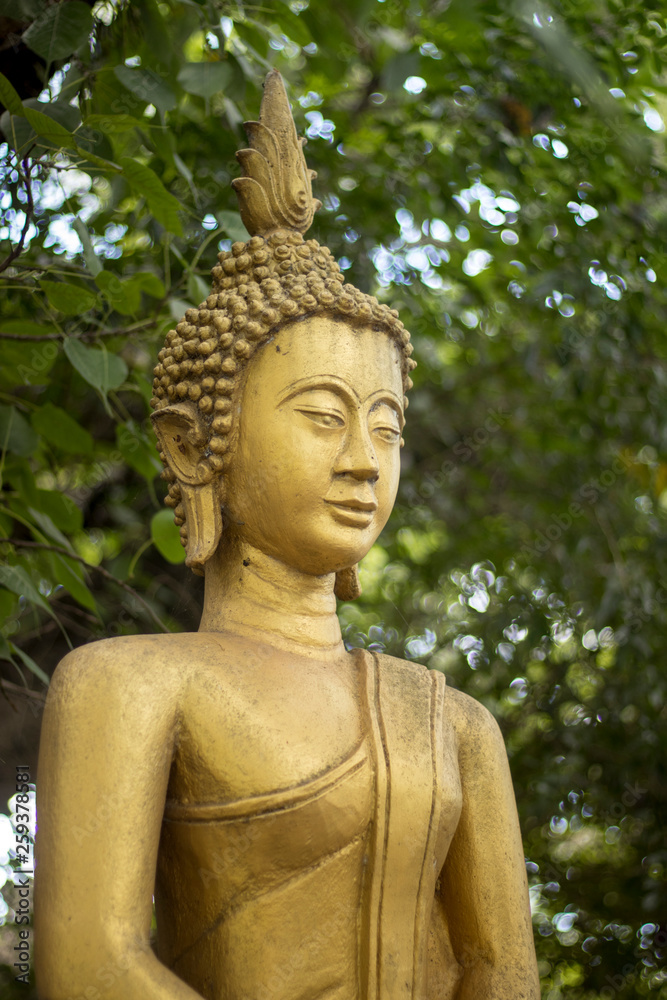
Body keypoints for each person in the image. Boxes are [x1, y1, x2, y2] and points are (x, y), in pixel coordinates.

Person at [35, 71, 540, 1000]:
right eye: (323, 416)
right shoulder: (128, 684)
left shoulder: (454, 724)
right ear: (194, 447)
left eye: (387, 427)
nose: (364, 461)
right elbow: (89, 963)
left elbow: (500, 971)